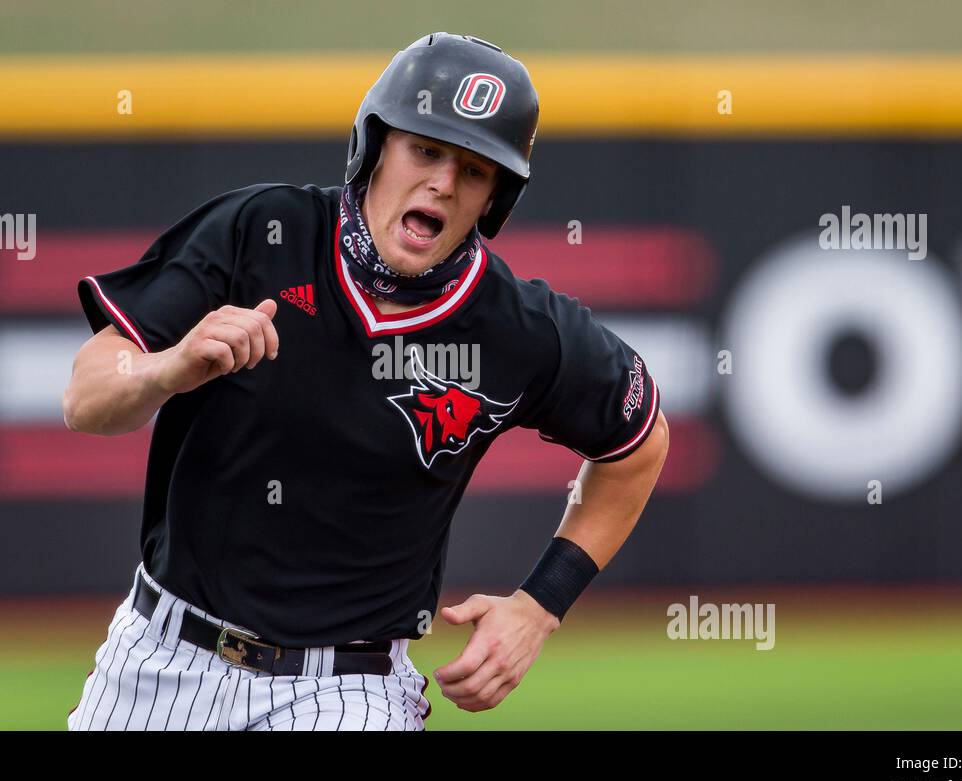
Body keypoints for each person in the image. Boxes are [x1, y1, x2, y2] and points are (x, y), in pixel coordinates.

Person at [62, 32, 667, 731]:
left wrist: (541, 603)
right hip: (163, 661)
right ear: (375, 145)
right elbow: (86, 397)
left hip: (347, 690)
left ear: (495, 199)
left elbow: (639, 440)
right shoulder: (260, 233)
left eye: (475, 170)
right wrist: (168, 367)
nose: (443, 182)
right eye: (427, 149)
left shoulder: (520, 329)